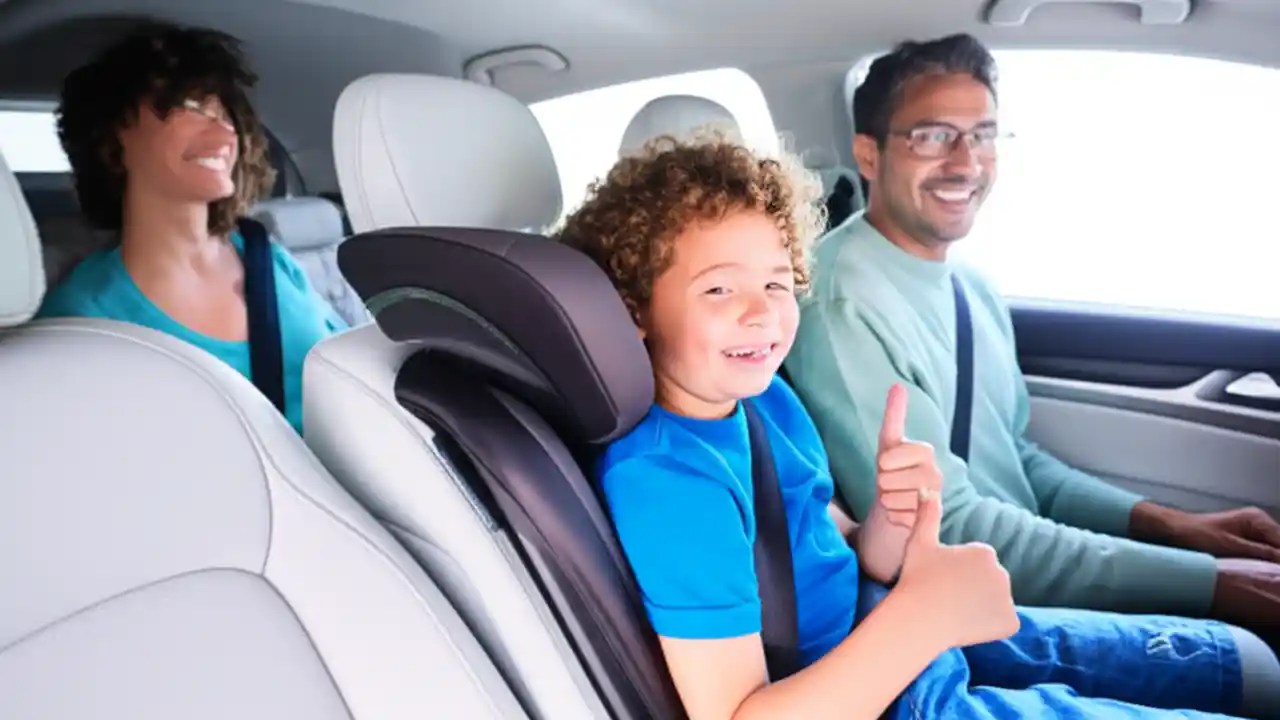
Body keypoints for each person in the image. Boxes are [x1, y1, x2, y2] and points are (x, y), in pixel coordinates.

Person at [556, 131, 1271, 719]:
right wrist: (925, 618)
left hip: (894, 640)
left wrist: (891, 523)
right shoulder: (668, 481)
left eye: (776, 281)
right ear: (635, 307)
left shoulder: (762, 404)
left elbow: (840, 551)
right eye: (719, 288)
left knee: (1245, 667)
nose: (762, 311)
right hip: (878, 692)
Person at [784, 33, 1280, 645]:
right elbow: (947, 527)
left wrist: (1175, 527)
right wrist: (1210, 583)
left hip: (1021, 583)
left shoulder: (971, 287)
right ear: (869, 154)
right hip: (967, 617)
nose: (965, 162)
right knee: (1253, 667)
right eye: (933, 136)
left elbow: (1018, 463)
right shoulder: (839, 302)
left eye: (983, 135)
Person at [37, 22, 346, 434]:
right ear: (111, 145)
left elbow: (355, 377)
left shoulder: (267, 256)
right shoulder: (79, 319)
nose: (224, 133)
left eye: (225, 114)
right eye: (190, 107)